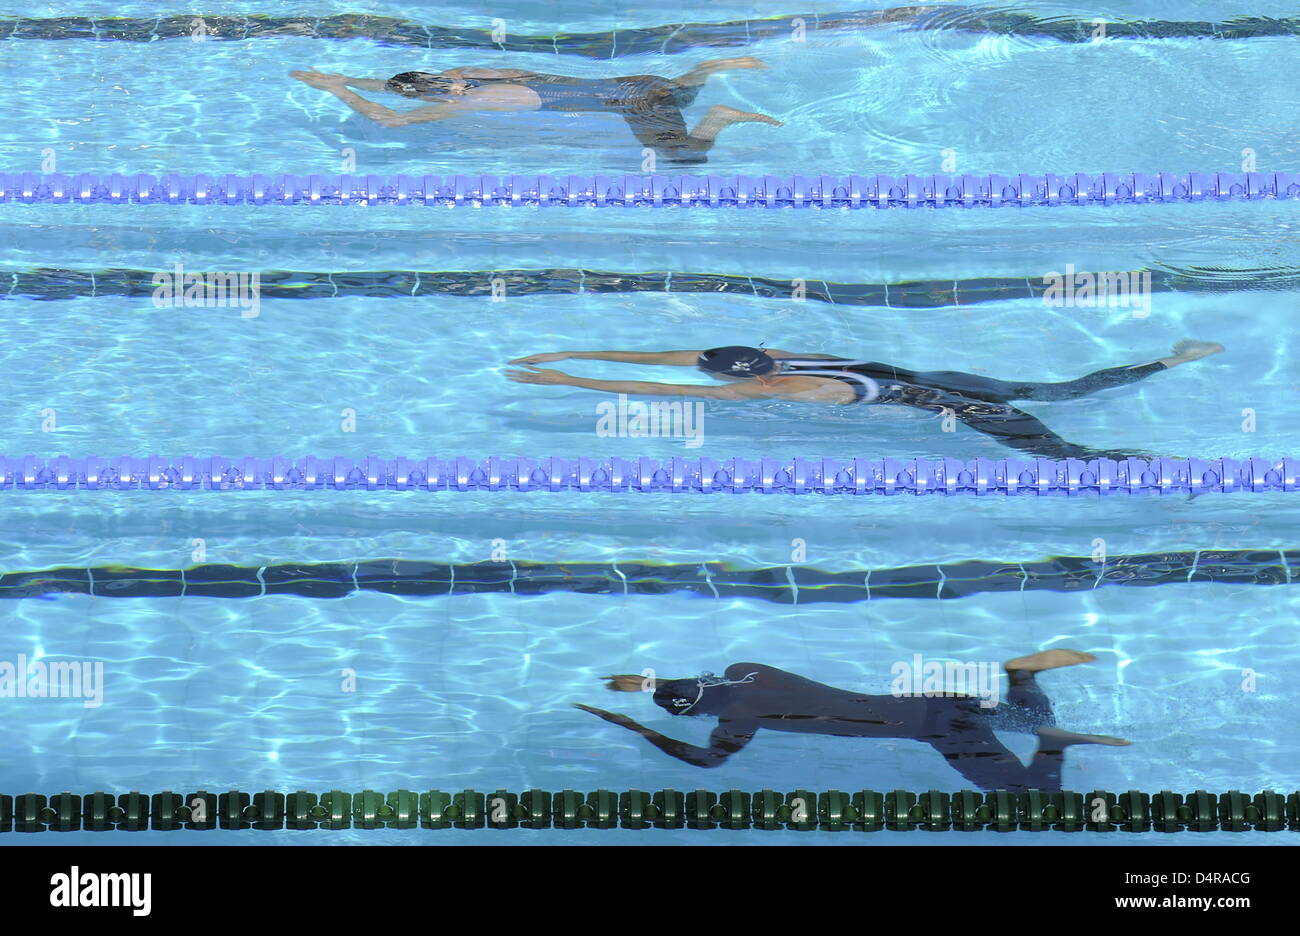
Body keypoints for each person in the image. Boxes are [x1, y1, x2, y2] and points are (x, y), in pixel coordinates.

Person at [506, 341, 1224, 459]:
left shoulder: (779, 383)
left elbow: (646, 384)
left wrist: (570, 381)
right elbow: (662, 361)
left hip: (967, 408)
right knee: (1062, 390)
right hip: (960, 380)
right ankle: (1173, 358)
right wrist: (568, 352)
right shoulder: (775, 353)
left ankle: (1158, 463)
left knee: (1064, 456)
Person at [575, 650, 1130, 792]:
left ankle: (1055, 745)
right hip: (939, 699)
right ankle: (1020, 672)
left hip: (937, 728)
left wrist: (639, 729)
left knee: (1023, 791)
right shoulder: (747, 673)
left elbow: (707, 760)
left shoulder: (736, 722)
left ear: (700, 712)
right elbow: (696, 682)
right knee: (1029, 716)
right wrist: (648, 683)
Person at [289, 57, 781, 164]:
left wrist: (338, 91)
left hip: (632, 103)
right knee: (675, 91)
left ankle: (721, 117)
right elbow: (401, 83)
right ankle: (708, 69)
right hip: (643, 83)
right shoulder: (475, 76)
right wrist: (343, 76)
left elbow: (389, 117)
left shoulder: (468, 104)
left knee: (684, 155)